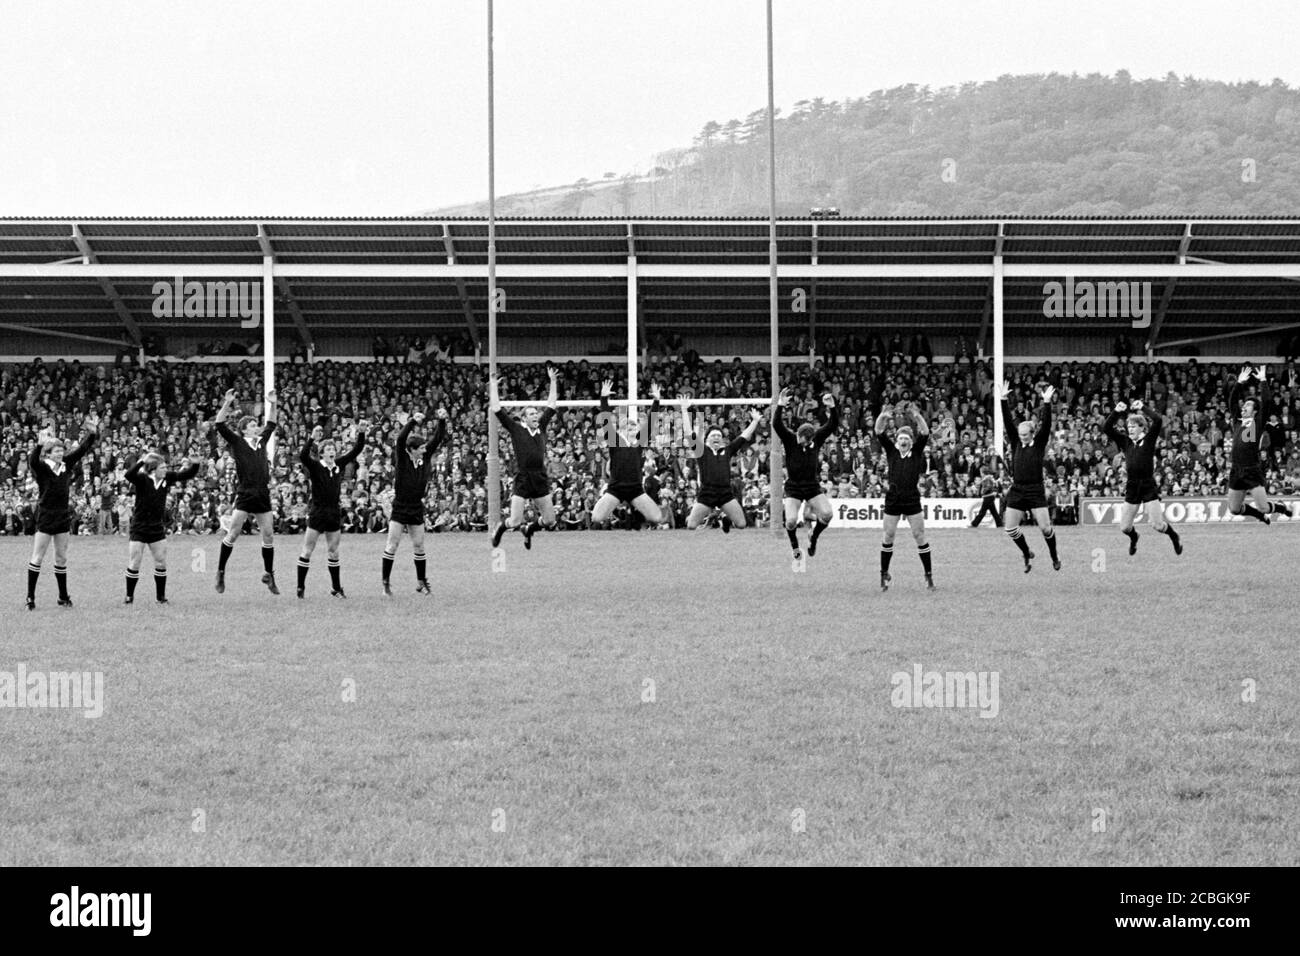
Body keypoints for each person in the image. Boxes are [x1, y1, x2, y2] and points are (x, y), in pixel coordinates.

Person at [25, 415, 100, 610]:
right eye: (56, 451)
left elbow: (82, 449)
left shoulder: (66, 464)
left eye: (61, 450)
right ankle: (30, 598)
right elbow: (32, 461)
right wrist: (39, 445)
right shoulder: (41, 468)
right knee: (37, 557)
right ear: (48, 453)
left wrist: (92, 432)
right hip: (46, 515)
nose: (60, 454)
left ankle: (63, 596)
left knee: (61, 558)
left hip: (62, 516)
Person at [213, 388, 280, 595]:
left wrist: (273, 404)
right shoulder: (237, 442)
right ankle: (221, 572)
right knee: (233, 533)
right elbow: (219, 424)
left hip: (262, 494)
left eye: (255, 425)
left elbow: (271, 423)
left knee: (268, 535)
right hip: (245, 494)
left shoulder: (261, 441)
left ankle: (269, 575)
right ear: (244, 430)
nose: (257, 427)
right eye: (252, 426)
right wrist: (227, 403)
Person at [1103, 399, 1183, 557]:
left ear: (1142, 428)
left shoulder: (1149, 439)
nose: (1130, 429)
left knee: (1158, 525)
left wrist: (1143, 407)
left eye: (1133, 426)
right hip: (1132, 486)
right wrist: (1116, 411)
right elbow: (1107, 428)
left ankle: (1174, 536)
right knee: (1125, 527)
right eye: (1129, 426)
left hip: (1147, 485)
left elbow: (1158, 420)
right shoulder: (1125, 441)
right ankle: (1135, 537)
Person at [490, 367, 559, 550]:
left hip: (540, 477)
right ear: (524, 419)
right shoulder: (516, 429)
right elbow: (496, 409)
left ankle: (529, 529)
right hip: (523, 477)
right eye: (531, 414)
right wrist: (494, 388)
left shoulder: (541, 427)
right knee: (514, 520)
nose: (536, 415)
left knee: (550, 520)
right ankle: (500, 529)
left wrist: (553, 381)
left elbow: (551, 404)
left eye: (536, 413)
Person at [297, 421, 367, 598]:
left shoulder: (339, 465)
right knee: (307, 551)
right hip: (317, 513)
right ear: (321, 454)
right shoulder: (315, 466)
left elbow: (356, 450)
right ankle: (300, 588)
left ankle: (336, 588)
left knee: (334, 552)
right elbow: (303, 456)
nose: (331, 452)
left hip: (333, 513)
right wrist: (312, 437)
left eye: (333, 449)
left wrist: (361, 432)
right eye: (328, 450)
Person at [382, 407, 447, 596]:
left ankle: (421, 581)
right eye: (421, 448)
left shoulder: (424, 458)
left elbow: (437, 439)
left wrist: (441, 420)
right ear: (412, 450)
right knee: (392, 545)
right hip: (400, 506)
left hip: (416, 506)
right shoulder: (402, 458)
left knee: (419, 544)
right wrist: (412, 422)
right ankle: (385, 583)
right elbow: (401, 439)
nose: (425, 450)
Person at [998, 382, 1061, 572]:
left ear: (1032, 434)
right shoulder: (1016, 442)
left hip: (1035, 489)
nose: (1022, 437)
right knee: (1010, 528)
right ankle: (1026, 552)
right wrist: (1002, 400)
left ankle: (1054, 556)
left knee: (1045, 528)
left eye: (1026, 434)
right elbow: (1008, 421)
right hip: (1017, 489)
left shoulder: (1039, 443)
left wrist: (1047, 402)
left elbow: (1047, 423)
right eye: (1020, 434)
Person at [123, 451, 199, 604]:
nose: (166, 470)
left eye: (165, 467)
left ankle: (161, 598)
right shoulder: (142, 479)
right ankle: (129, 596)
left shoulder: (166, 478)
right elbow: (128, 475)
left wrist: (196, 463)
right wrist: (142, 461)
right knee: (135, 561)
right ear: (153, 469)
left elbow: (186, 475)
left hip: (156, 526)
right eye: (162, 467)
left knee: (161, 561)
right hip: (139, 526)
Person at [772, 387, 839, 559]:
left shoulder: (816, 438)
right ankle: (795, 547)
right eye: (800, 440)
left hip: (811, 486)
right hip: (793, 487)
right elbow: (776, 424)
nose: (801, 444)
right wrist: (780, 405)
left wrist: (831, 407)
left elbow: (832, 424)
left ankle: (813, 537)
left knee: (827, 514)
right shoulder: (790, 438)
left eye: (805, 442)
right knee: (791, 520)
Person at [679, 400, 764, 532]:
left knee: (741, 524)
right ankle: (710, 515)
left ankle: (725, 518)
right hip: (707, 493)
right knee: (691, 525)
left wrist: (755, 421)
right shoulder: (701, 451)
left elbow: (744, 436)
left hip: (725, 493)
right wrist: (684, 410)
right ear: (707, 440)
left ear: (723, 439)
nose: (717, 437)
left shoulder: (728, 450)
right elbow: (689, 433)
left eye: (719, 435)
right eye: (713, 435)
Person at [875, 402, 934, 591]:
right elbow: (878, 431)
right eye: (900, 438)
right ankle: (884, 574)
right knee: (888, 536)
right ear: (896, 441)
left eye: (906, 438)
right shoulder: (892, 452)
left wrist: (917, 416)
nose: (903, 441)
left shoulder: (916, 452)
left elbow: (925, 432)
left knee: (919, 535)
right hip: (893, 499)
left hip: (911, 499)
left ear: (910, 441)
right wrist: (883, 416)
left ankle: (928, 576)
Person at [1224, 365, 1292, 524]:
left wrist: (1263, 380)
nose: (1243, 407)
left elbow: (1267, 401)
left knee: (1265, 507)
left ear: (1255, 411)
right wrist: (1239, 383)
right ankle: (1258, 516)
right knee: (1234, 509)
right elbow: (1232, 401)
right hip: (1236, 469)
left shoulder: (1258, 422)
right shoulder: (1237, 422)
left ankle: (1280, 507)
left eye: (1248, 405)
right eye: (1244, 405)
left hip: (1252, 470)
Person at [590, 380, 663, 527]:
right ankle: (622, 513)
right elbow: (605, 420)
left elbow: (650, 423)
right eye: (629, 428)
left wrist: (656, 401)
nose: (633, 431)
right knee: (596, 518)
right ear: (621, 431)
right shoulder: (615, 440)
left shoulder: (639, 442)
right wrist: (604, 399)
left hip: (635, 488)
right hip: (616, 488)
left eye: (634, 428)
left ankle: (634, 513)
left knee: (656, 518)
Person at [969, 463, 1003, 528]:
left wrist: (982, 492)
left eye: (981, 472)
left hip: (988, 497)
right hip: (989, 497)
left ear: (983, 472)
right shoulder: (988, 478)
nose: (980, 474)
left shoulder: (986, 479)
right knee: (994, 512)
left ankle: (974, 524)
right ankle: (1000, 524)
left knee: (982, 512)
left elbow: (988, 487)